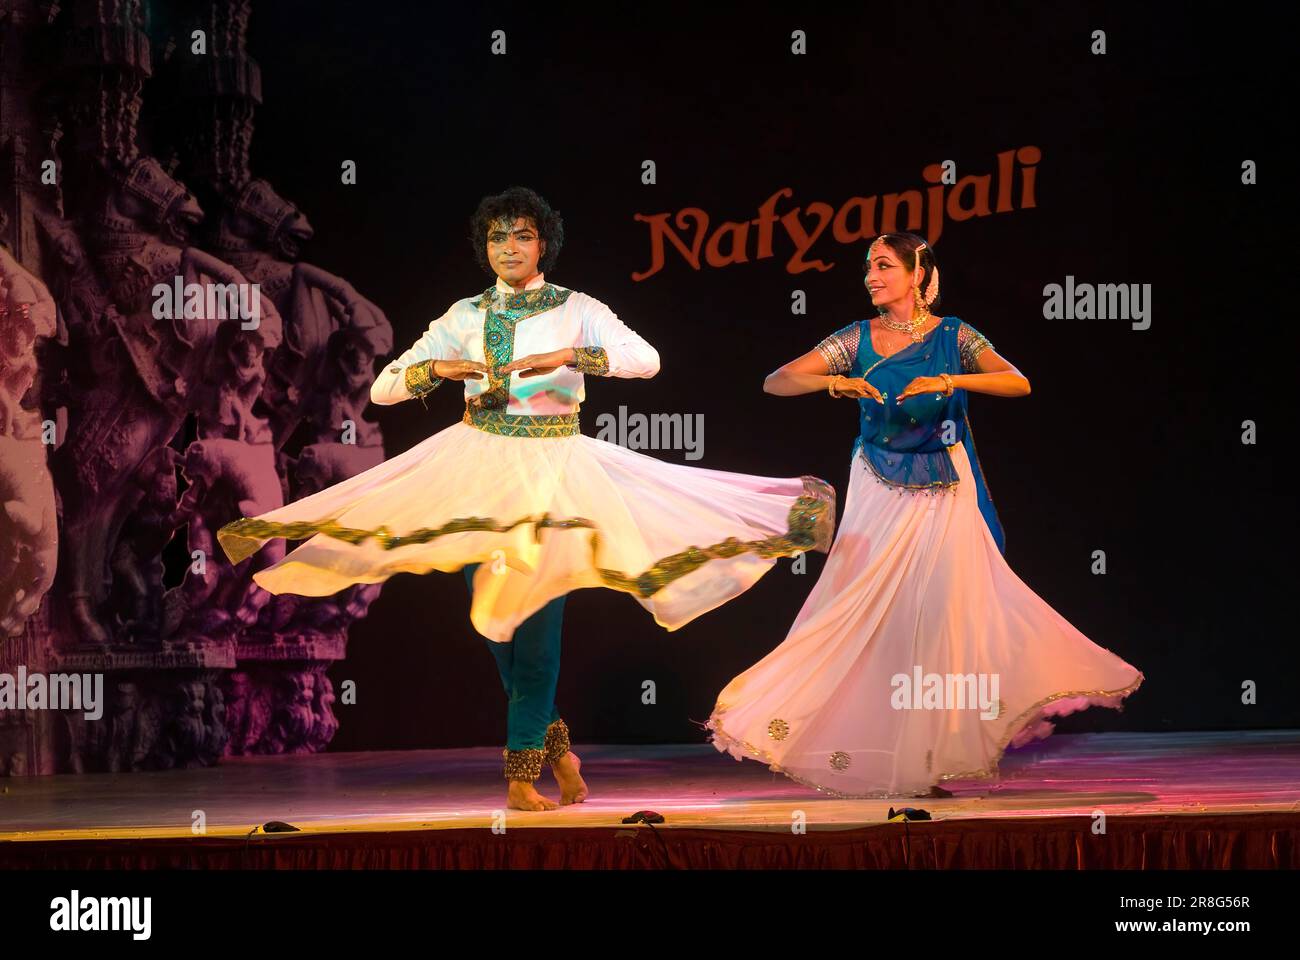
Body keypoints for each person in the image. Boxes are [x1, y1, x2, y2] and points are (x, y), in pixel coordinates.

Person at [217, 186, 835, 810]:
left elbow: (645, 360)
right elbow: (382, 389)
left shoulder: (577, 307)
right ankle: (559, 752)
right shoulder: (461, 316)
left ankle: (519, 774)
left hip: (551, 475)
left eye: (521, 236)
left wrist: (574, 353)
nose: (508, 248)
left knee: (535, 624)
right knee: (496, 623)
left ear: (544, 245)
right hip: (473, 475)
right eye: (497, 237)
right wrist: (438, 370)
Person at [705, 232, 1143, 799]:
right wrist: (833, 382)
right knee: (859, 609)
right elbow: (777, 380)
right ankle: (851, 741)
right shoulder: (855, 338)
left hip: (945, 484)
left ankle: (924, 758)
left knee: (940, 613)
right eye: (868, 267)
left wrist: (951, 378)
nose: (870, 276)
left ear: (918, 275)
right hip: (876, 485)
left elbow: (1017, 381)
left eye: (884, 266)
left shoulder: (954, 336)